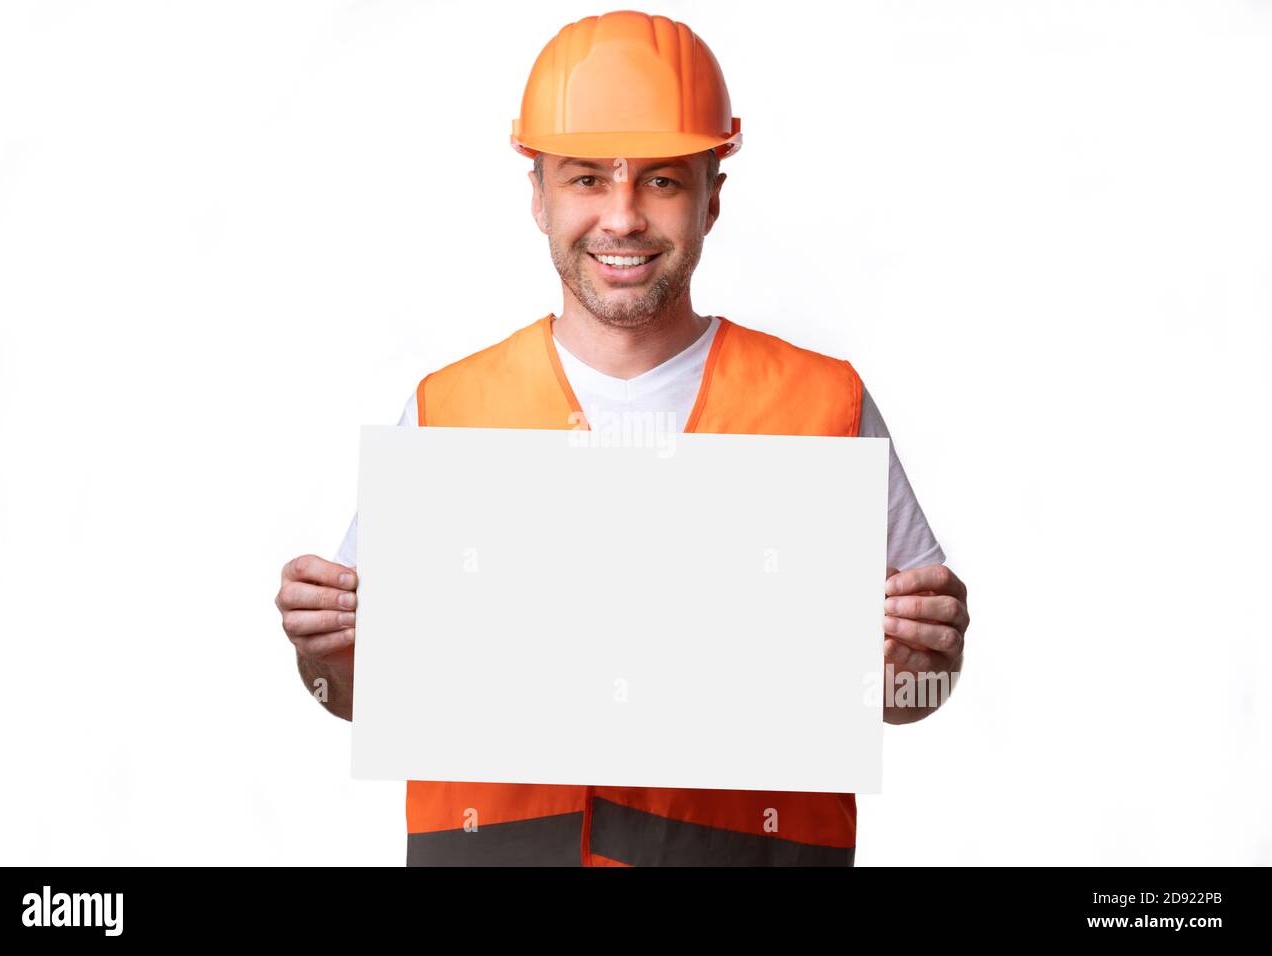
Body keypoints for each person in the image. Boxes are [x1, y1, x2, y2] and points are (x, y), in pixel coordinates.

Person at [275, 9, 969, 866]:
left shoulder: (824, 407)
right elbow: (364, 695)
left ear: (714, 195)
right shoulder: (446, 413)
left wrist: (921, 659)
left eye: (663, 181)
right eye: (586, 179)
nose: (623, 216)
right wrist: (328, 652)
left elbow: (905, 696)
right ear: (538, 196)